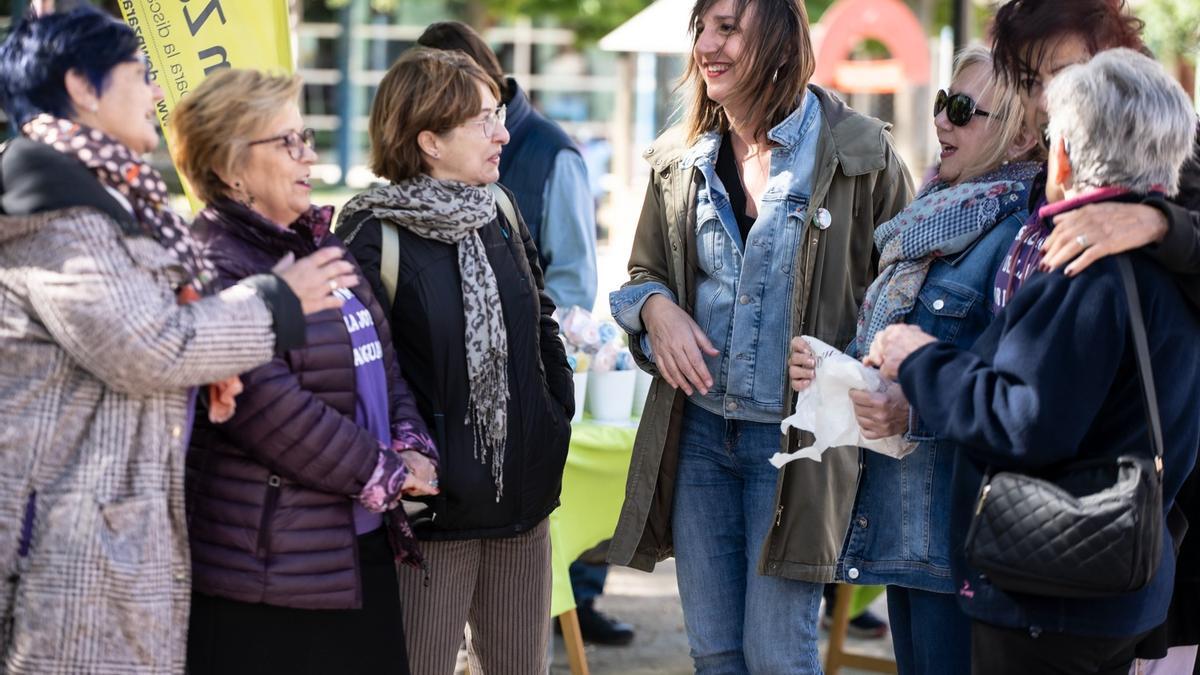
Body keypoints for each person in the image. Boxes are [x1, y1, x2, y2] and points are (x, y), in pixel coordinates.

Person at [0, 8, 351, 673]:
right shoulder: (49, 204)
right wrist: (278, 299)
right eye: (141, 74)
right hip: (66, 549)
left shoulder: (108, 193)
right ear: (82, 86)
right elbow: (149, 345)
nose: (159, 93)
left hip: (97, 535)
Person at [867, 49, 1200, 675]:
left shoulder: (1084, 270)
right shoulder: (1171, 270)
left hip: (1049, 594)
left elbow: (1020, 421)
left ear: (1065, 155)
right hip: (1113, 585)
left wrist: (920, 357)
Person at [606, 0, 913, 671]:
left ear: (775, 36)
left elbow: (906, 293)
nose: (707, 47)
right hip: (697, 440)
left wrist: (849, 364)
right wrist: (656, 310)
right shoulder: (678, 158)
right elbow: (640, 276)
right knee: (715, 655)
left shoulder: (861, 153)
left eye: (727, 29)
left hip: (795, 451)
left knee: (778, 657)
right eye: (702, 31)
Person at [168, 69, 439, 675]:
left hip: (357, 542)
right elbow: (269, 410)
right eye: (287, 141)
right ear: (232, 167)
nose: (309, 154)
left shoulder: (321, 245)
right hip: (267, 572)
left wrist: (410, 443)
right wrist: (387, 472)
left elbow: (384, 363)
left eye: (306, 136)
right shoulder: (214, 264)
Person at [792, 45, 1042, 673]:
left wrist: (915, 407)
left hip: (957, 540)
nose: (943, 122)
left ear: (1019, 137)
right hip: (903, 528)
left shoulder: (1018, 239)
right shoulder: (928, 217)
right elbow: (890, 354)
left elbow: (1016, 397)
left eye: (963, 110)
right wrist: (832, 371)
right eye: (941, 103)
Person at [336, 47, 574, 674]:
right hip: (429, 518)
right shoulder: (370, 235)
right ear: (429, 140)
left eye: (499, 114)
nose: (503, 133)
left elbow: (540, 316)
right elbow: (362, 376)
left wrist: (555, 417)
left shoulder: (498, 209)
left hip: (522, 503)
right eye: (482, 122)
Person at [988, 2, 1200, 669]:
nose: (1047, 94)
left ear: (1118, 52)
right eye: (1030, 78)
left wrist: (1163, 225)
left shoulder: (1177, 160)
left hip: (1151, 515)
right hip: (1060, 526)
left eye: (1063, 69)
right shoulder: (1039, 179)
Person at [414, 20, 628, 647]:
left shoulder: (549, 154)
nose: (495, 134)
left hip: (520, 438)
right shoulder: (379, 226)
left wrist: (550, 401)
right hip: (442, 479)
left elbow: (565, 286)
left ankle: (582, 597)